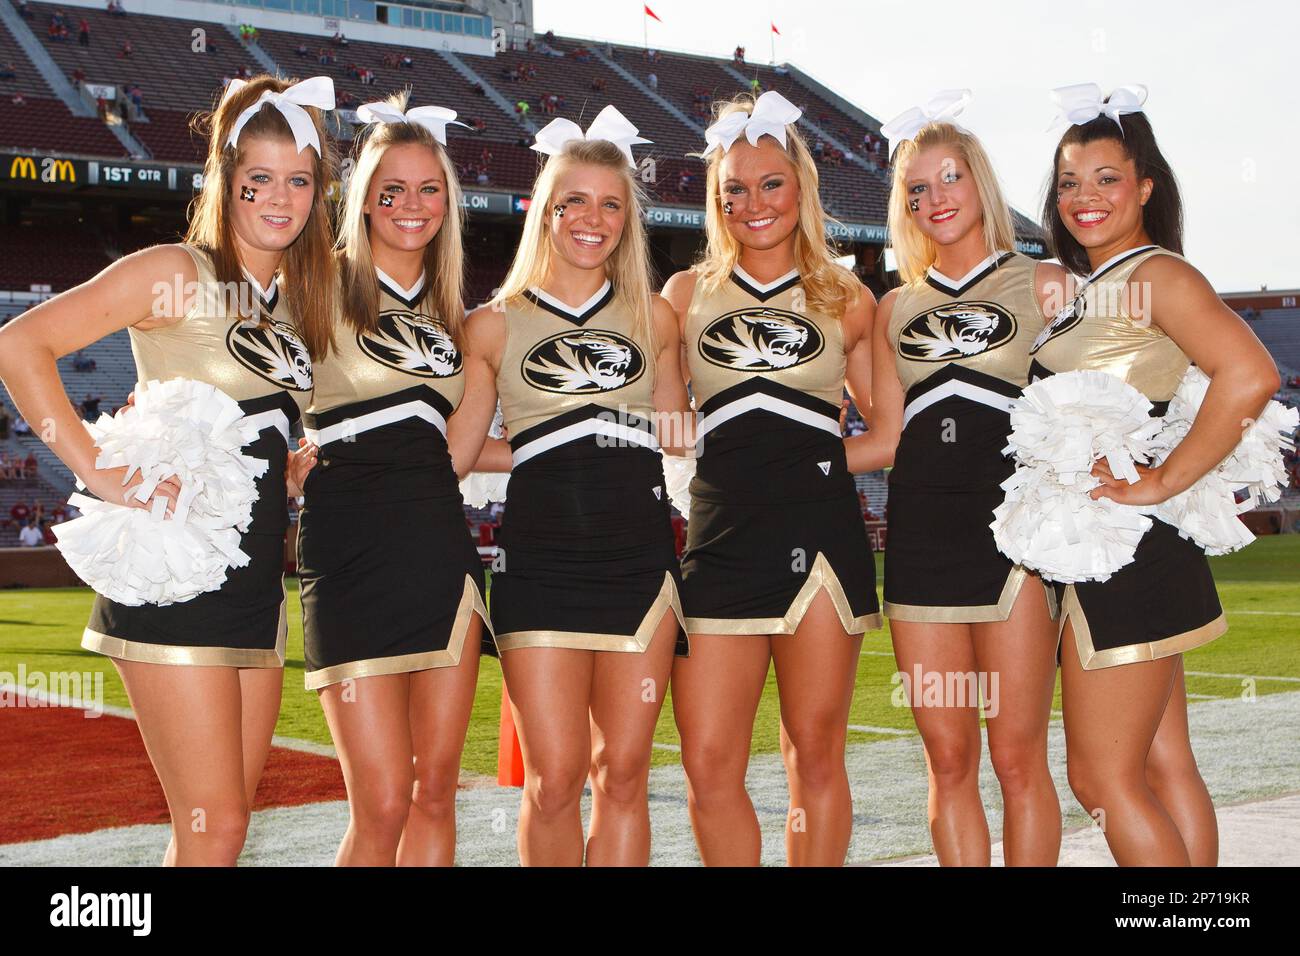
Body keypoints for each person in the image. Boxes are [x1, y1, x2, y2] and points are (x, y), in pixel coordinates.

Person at [0, 74, 337, 866]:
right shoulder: (176, 270)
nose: (280, 199)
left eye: (299, 181)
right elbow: (19, 345)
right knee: (211, 827)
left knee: (225, 825)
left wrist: (277, 474)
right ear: (228, 182)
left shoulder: (293, 301)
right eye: (260, 180)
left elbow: (239, 420)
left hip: (257, 582)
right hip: (176, 577)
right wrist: (99, 470)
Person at [1031, 84, 1280, 866]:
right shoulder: (1095, 289)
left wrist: (1161, 481)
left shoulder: (1159, 276)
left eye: (1107, 178)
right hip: (1119, 548)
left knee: (1101, 778)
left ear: (1144, 187)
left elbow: (1250, 373)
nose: (1085, 197)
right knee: (1162, 763)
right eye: (1070, 181)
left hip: (1123, 553)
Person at [450, 107, 691, 866]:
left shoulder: (654, 317)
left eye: (610, 203)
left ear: (629, 218)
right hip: (541, 565)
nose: (593, 218)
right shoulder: (491, 325)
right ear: (545, 211)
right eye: (574, 201)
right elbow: (458, 454)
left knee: (622, 774)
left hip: (638, 562)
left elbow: (676, 434)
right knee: (553, 780)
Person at [662, 91, 880, 866]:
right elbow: (666, 426)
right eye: (735, 191)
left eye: (770, 184)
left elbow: (886, 433)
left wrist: (807, 462)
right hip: (719, 541)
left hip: (820, 542)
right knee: (709, 762)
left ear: (802, 187)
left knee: (813, 755)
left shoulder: (847, 295)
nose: (753, 204)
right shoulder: (684, 297)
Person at [846, 95, 1064, 866]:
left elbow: (1099, 402)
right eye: (916, 189)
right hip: (921, 547)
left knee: (1016, 758)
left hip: (1016, 541)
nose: (934, 199)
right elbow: (884, 434)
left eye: (949, 179)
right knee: (948, 760)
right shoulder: (893, 306)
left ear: (981, 186)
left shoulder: (1043, 283)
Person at [295, 94, 491, 867]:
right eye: (392, 190)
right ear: (365, 199)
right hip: (346, 551)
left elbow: (462, 453)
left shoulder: (456, 314)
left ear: (447, 200)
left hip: (439, 551)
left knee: (436, 791)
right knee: (379, 804)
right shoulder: (313, 284)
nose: (412, 207)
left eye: (429, 189)